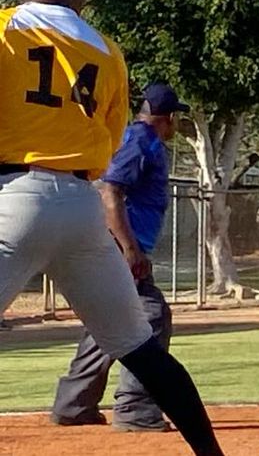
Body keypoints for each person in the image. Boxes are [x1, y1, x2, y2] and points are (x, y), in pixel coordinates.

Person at [0, 0, 223, 455]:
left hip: (11, 195)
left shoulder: (5, 30)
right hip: (79, 208)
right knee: (142, 348)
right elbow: (105, 144)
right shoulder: (106, 51)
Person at [50, 82, 188, 431]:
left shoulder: (135, 137)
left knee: (109, 322)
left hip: (111, 243)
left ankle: (74, 403)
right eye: (175, 118)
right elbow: (110, 190)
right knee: (152, 316)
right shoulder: (142, 141)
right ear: (168, 117)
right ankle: (136, 409)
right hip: (120, 246)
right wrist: (129, 247)